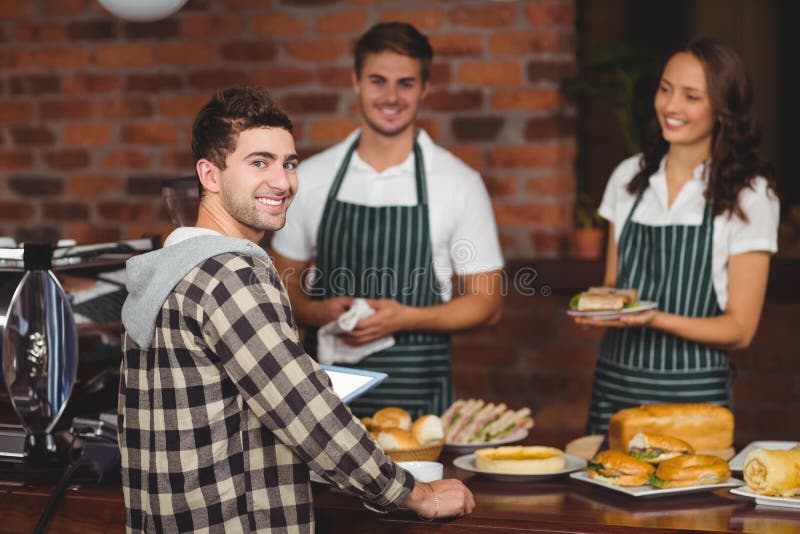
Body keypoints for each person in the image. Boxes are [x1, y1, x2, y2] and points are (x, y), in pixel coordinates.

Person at [118, 86, 474, 533]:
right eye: (259, 163)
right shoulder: (231, 273)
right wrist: (416, 494)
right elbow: (306, 414)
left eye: (289, 164)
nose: (283, 182)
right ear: (209, 175)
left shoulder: (168, 272)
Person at [271, 22, 504, 419]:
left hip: (421, 410)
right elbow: (280, 290)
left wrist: (408, 318)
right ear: (356, 81)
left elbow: (488, 303)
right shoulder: (311, 178)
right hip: (325, 411)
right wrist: (317, 313)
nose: (392, 97)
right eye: (378, 81)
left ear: (425, 87)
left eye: (406, 83)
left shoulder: (458, 183)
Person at [575, 36, 780, 435]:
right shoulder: (628, 178)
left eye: (691, 96)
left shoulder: (749, 195)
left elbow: (740, 329)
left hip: (694, 404)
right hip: (615, 390)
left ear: (723, 109)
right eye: (665, 89)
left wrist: (653, 318)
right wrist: (595, 311)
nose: (670, 106)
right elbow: (614, 288)